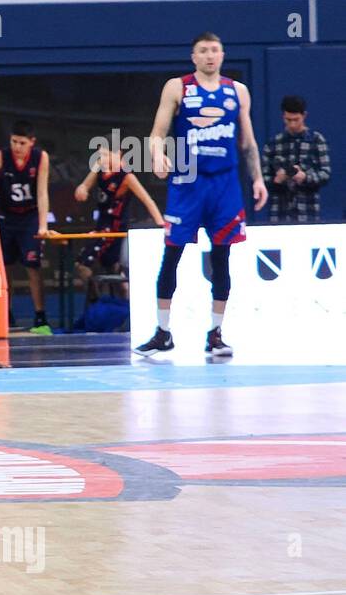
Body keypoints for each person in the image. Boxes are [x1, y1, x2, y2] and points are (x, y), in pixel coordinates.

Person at [135, 33, 268, 358]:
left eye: (215, 50)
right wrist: (157, 154)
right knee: (173, 254)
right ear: (193, 56)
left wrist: (258, 179)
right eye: (203, 50)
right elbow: (157, 132)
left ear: (222, 55)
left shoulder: (237, 91)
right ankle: (163, 332)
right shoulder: (177, 87)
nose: (210, 55)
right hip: (188, 182)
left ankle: (216, 333)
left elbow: (247, 142)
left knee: (221, 258)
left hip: (224, 186)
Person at [0, 119, 53, 334]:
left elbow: (41, 193)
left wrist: (42, 225)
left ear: (32, 142)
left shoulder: (41, 158)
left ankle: (40, 318)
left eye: (22, 143)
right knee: (5, 268)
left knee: (33, 266)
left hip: (29, 218)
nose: (17, 147)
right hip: (5, 218)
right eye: (13, 142)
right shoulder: (0, 157)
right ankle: (6, 314)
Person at [73, 147, 165, 299]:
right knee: (106, 269)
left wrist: (161, 225)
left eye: (105, 154)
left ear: (118, 153)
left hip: (114, 230)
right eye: (100, 155)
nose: (102, 158)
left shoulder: (126, 177)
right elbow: (82, 190)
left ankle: (101, 303)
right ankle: (99, 303)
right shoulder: (99, 169)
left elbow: (148, 201)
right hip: (100, 226)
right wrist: (82, 188)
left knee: (86, 264)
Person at [262, 95, 331, 224]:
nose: (292, 124)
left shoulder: (316, 141)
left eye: (296, 119)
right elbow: (262, 178)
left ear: (304, 116)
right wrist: (276, 180)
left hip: (308, 210)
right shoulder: (273, 144)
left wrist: (305, 177)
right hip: (279, 212)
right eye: (288, 120)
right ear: (283, 116)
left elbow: (325, 174)